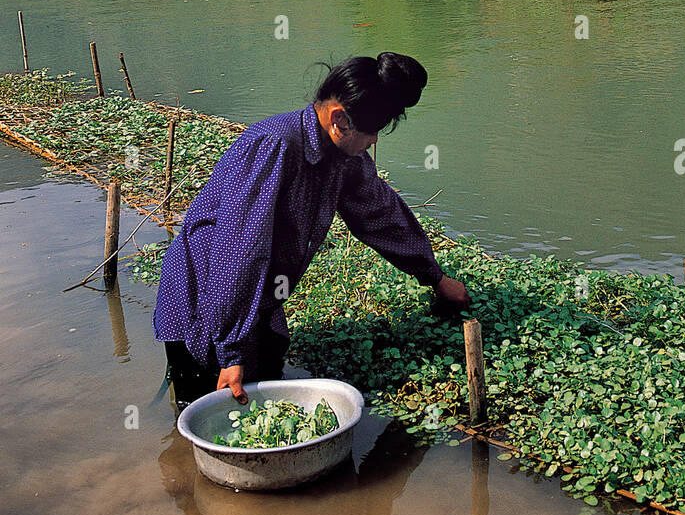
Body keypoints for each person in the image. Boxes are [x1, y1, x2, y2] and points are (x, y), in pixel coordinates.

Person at [153, 52, 470, 407]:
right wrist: (231, 351)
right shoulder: (274, 146)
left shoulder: (343, 158)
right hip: (206, 297)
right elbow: (239, 252)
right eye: (372, 130)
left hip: (256, 300)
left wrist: (436, 277)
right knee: (207, 414)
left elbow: (381, 215)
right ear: (339, 119)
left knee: (264, 406)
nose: (375, 140)